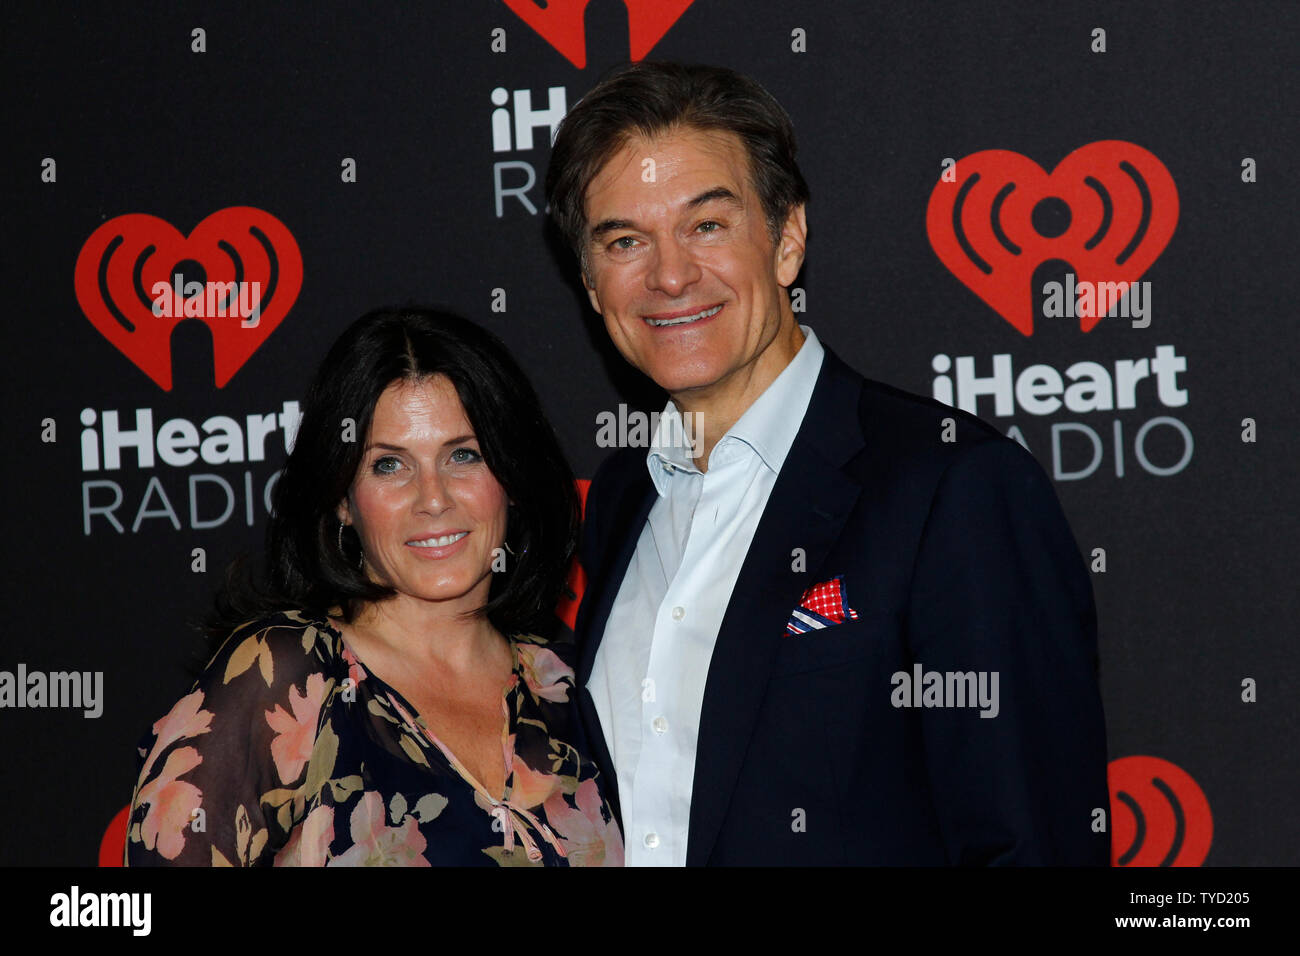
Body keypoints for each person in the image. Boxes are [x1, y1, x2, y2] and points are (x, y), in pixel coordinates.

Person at [545, 62, 1110, 865]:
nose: (669, 275)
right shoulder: (621, 498)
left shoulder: (951, 487)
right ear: (592, 287)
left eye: (707, 225)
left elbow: (1033, 843)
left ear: (787, 239)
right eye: (626, 241)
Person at [125, 308, 624, 866]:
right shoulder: (285, 676)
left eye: (464, 455)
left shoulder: (573, 689)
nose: (433, 498)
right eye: (389, 465)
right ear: (342, 499)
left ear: (511, 478)